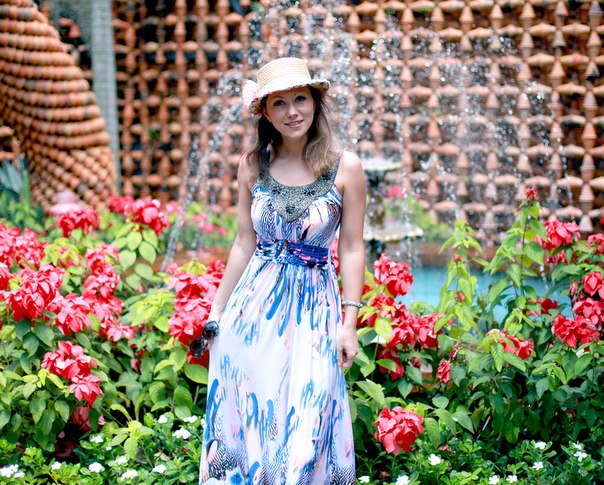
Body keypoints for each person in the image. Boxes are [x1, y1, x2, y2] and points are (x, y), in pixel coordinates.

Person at [197, 57, 366, 484]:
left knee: (308, 419)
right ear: (266, 113)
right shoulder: (252, 165)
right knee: (256, 413)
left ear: (315, 103)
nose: (293, 112)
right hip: (253, 310)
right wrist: (216, 313)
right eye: (280, 103)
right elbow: (243, 243)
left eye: (300, 99)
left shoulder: (345, 167)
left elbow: (351, 247)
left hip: (314, 310)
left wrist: (349, 324)